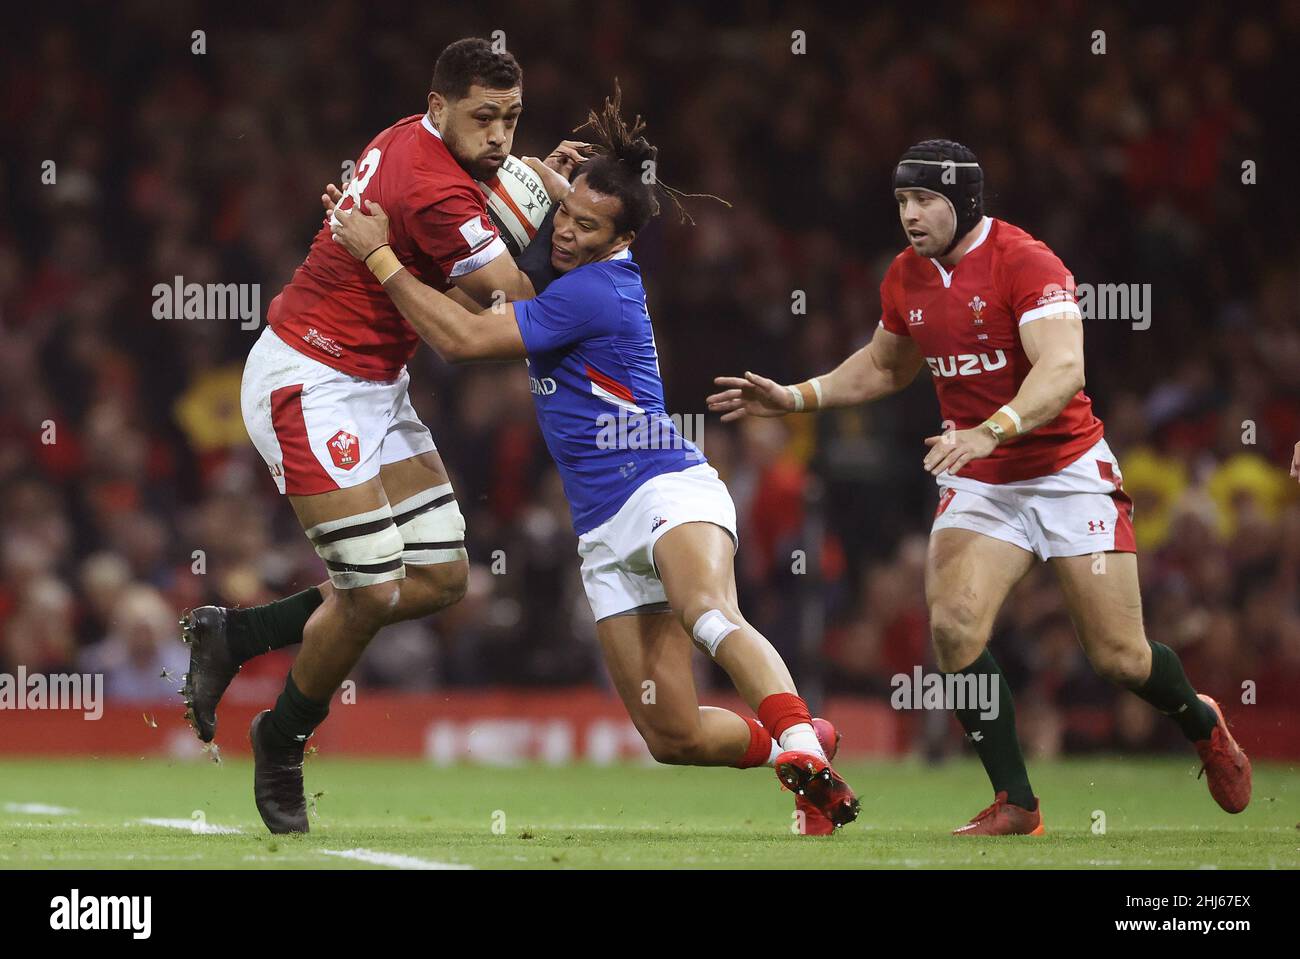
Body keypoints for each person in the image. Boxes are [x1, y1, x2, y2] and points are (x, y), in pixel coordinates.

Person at [326, 87, 859, 835]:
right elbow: (552, 217)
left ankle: (800, 741)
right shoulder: (579, 256)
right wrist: (549, 183)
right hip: (605, 528)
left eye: (584, 226)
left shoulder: (598, 292)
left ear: (620, 242)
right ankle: (805, 746)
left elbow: (465, 340)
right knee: (669, 735)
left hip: (665, 485)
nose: (565, 234)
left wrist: (378, 254)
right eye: (564, 217)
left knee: (708, 609)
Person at [707, 139, 1251, 835]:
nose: (909, 214)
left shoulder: (1027, 260)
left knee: (1121, 657)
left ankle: (1199, 719)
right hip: (984, 479)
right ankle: (1017, 801)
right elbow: (884, 365)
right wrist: (796, 396)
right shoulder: (905, 276)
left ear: (964, 202)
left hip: (1066, 472)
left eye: (925, 199)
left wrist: (990, 428)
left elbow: (1063, 370)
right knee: (954, 626)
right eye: (902, 200)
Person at [180, 37, 585, 834]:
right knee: (369, 587)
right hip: (311, 378)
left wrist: (535, 179)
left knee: (439, 579)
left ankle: (234, 634)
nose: (500, 136)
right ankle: (283, 734)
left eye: (512, 118)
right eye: (485, 117)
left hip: (374, 383)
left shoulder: (414, 135)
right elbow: (507, 309)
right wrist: (574, 231)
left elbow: (484, 195)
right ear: (440, 109)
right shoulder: (435, 188)